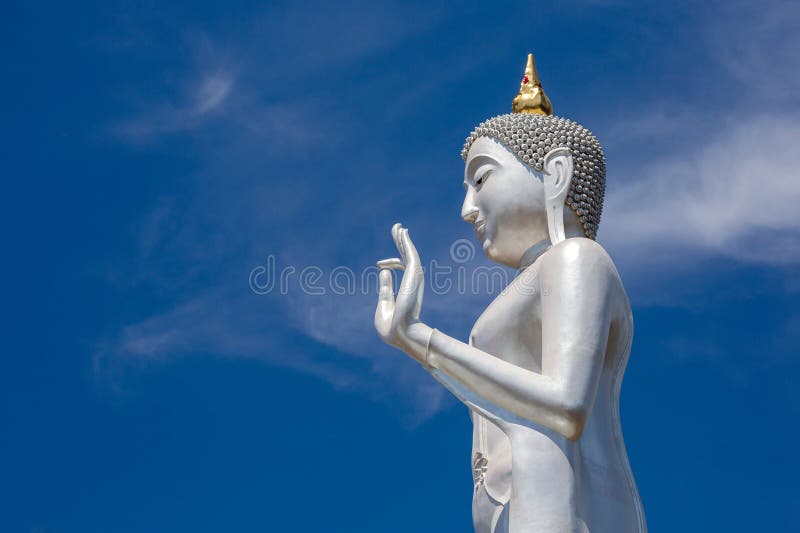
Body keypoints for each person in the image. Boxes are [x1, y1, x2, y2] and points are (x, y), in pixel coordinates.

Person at [374, 54, 646, 533]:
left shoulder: (576, 259)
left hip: (562, 502)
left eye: (482, 179)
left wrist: (422, 339)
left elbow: (566, 405)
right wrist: (410, 339)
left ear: (555, 174)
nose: (467, 209)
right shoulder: (536, 278)